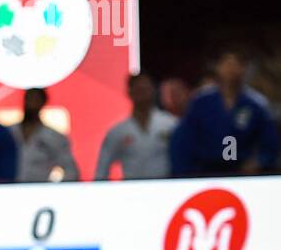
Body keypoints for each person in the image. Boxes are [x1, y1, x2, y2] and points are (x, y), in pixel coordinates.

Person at [170, 47, 279, 176]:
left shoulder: (256, 104)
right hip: (204, 169)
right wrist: (184, 171)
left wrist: (260, 161)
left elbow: (270, 143)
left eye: (237, 64)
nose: (231, 69)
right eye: (227, 64)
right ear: (218, 67)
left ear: (245, 69)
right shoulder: (201, 101)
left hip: (242, 170)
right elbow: (183, 140)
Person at [93, 73, 178, 180]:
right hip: (133, 190)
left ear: (153, 90)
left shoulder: (170, 124)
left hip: (165, 187)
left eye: (145, 89)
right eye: (138, 89)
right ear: (130, 92)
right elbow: (102, 168)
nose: (142, 93)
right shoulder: (118, 131)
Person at [10, 87, 78, 182]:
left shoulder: (54, 137)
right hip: (9, 190)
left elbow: (71, 170)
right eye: (29, 99)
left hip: (39, 190)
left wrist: (54, 190)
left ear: (43, 103)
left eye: (36, 100)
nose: (31, 103)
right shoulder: (8, 133)